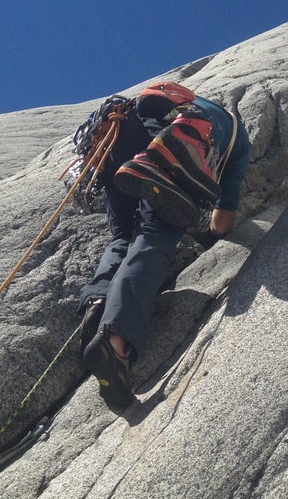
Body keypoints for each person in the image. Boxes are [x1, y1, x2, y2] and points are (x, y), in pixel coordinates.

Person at [78, 83, 250, 410]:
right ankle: (113, 344)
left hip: (121, 141)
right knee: (155, 232)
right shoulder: (237, 139)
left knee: (123, 238)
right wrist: (209, 230)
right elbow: (222, 221)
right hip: (160, 147)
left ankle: (99, 300)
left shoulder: (191, 102)